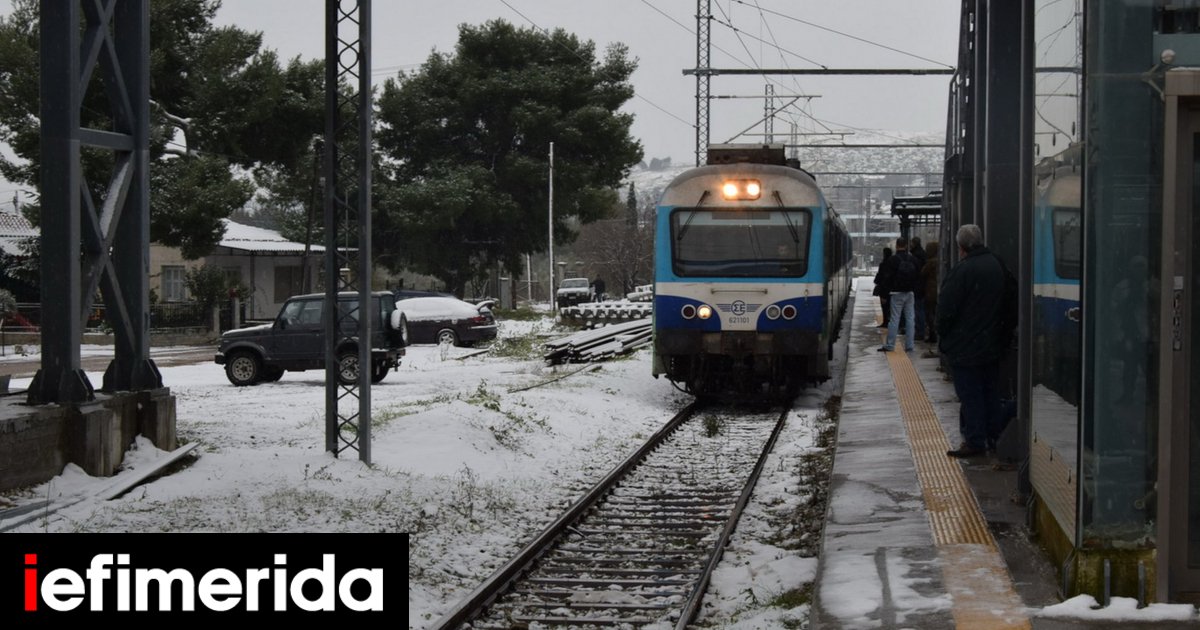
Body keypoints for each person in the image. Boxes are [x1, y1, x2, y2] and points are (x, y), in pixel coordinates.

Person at [937, 224, 1008, 458]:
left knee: (970, 395)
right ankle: (994, 436)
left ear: (961, 247)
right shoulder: (997, 265)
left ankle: (975, 440)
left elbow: (946, 309)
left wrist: (945, 336)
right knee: (990, 392)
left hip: (966, 347)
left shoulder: (962, 270)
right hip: (992, 343)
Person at [877, 237, 919, 353]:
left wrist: (884, 294)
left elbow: (887, 278)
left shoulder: (892, 260)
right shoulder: (913, 259)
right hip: (910, 293)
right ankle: (910, 346)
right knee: (910, 319)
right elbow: (917, 275)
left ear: (896, 246)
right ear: (906, 246)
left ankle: (890, 345)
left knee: (894, 319)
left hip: (896, 293)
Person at [919, 240, 939, 343]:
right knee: (935, 312)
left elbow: (922, 273)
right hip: (938, 290)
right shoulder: (940, 261)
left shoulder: (930, 262)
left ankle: (932, 333)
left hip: (930, 291)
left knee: (929, 313)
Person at [910, 236, 928, 340]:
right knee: (920, 308)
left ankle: (920, 332)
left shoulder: (915, 256)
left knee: (918, 309)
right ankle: (921, 330)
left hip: (918, 286)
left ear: (914, 244)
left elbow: (915, 272)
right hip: (923, 285)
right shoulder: (923, 254)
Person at [873, 247, 893, 328]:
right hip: (892, 288)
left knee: (884, 307)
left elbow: (880, 276)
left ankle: (885, 322)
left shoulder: (883, 264)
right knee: (890, 307)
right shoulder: (893, 263)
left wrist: (876, 282)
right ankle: (889, 321)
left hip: (884, 289)